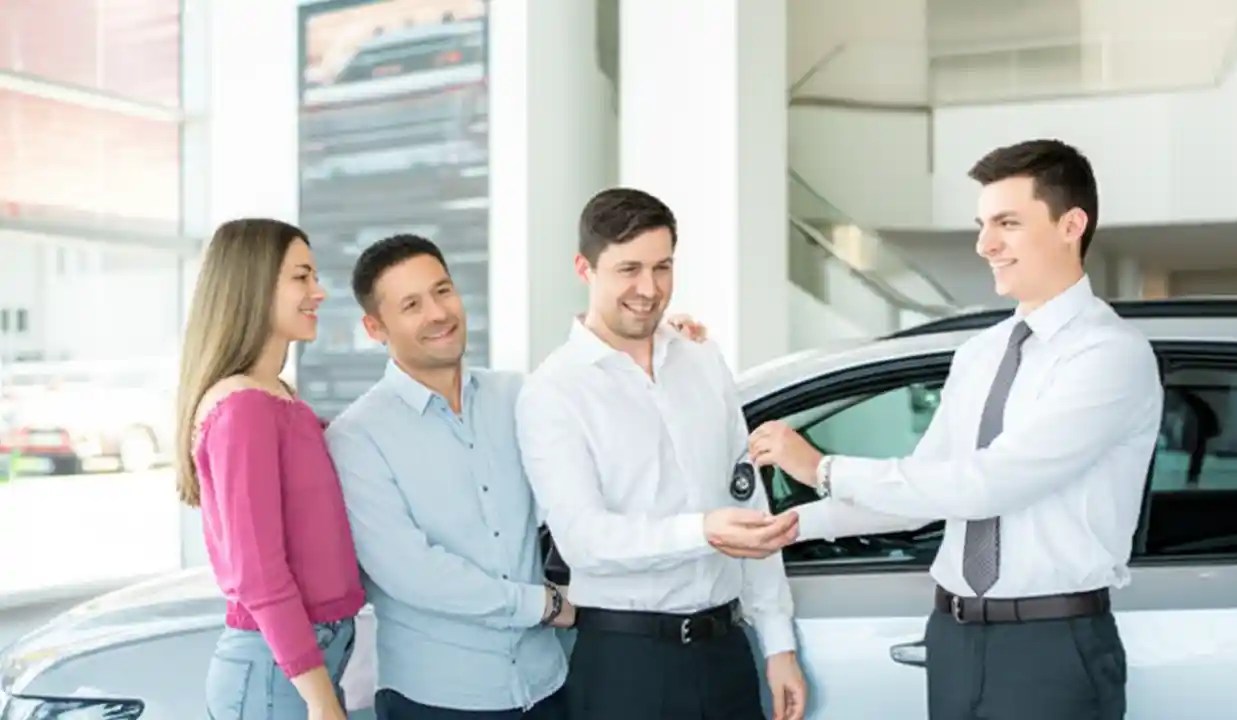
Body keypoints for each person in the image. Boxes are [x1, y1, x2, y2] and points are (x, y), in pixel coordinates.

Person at [747, 139, 1163, 720]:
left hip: (1052, 645)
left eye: (1008, 223)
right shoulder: (980, 354)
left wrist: (821, 468)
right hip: (954, 639)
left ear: (1072, 225)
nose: (985, 244)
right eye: (982, 224)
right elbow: (924, 490)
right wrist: (787, 526)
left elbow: (988, 484)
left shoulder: (1109, 355)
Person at [323, 234, 708, 719]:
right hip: (438, 700)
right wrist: (543, 606)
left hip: (548, 686)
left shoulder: (519, 395)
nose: (439, 313)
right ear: (375, 327)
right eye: (412, 305)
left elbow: (610, 442)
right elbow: (411, 572)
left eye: (443, 291)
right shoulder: (357, 436)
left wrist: (660, 343)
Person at [515, 188, 808, 720]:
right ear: (585, 268)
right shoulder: (553, 392)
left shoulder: (701, 357)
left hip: (725, 653)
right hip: (627, 665)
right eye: (628, 269)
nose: (648, 290)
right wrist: (702, 532)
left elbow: (749, 501)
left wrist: (777, 644)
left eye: (662, 267)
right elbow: (584, 540)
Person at [176, 218, 366, 720]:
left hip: (299, 669)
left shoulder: (275, 396)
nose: (318, 292)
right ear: (253, 285)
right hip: (280, 677)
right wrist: (322, 701)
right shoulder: (245, 408)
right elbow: (259, 574)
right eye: (301, 277)